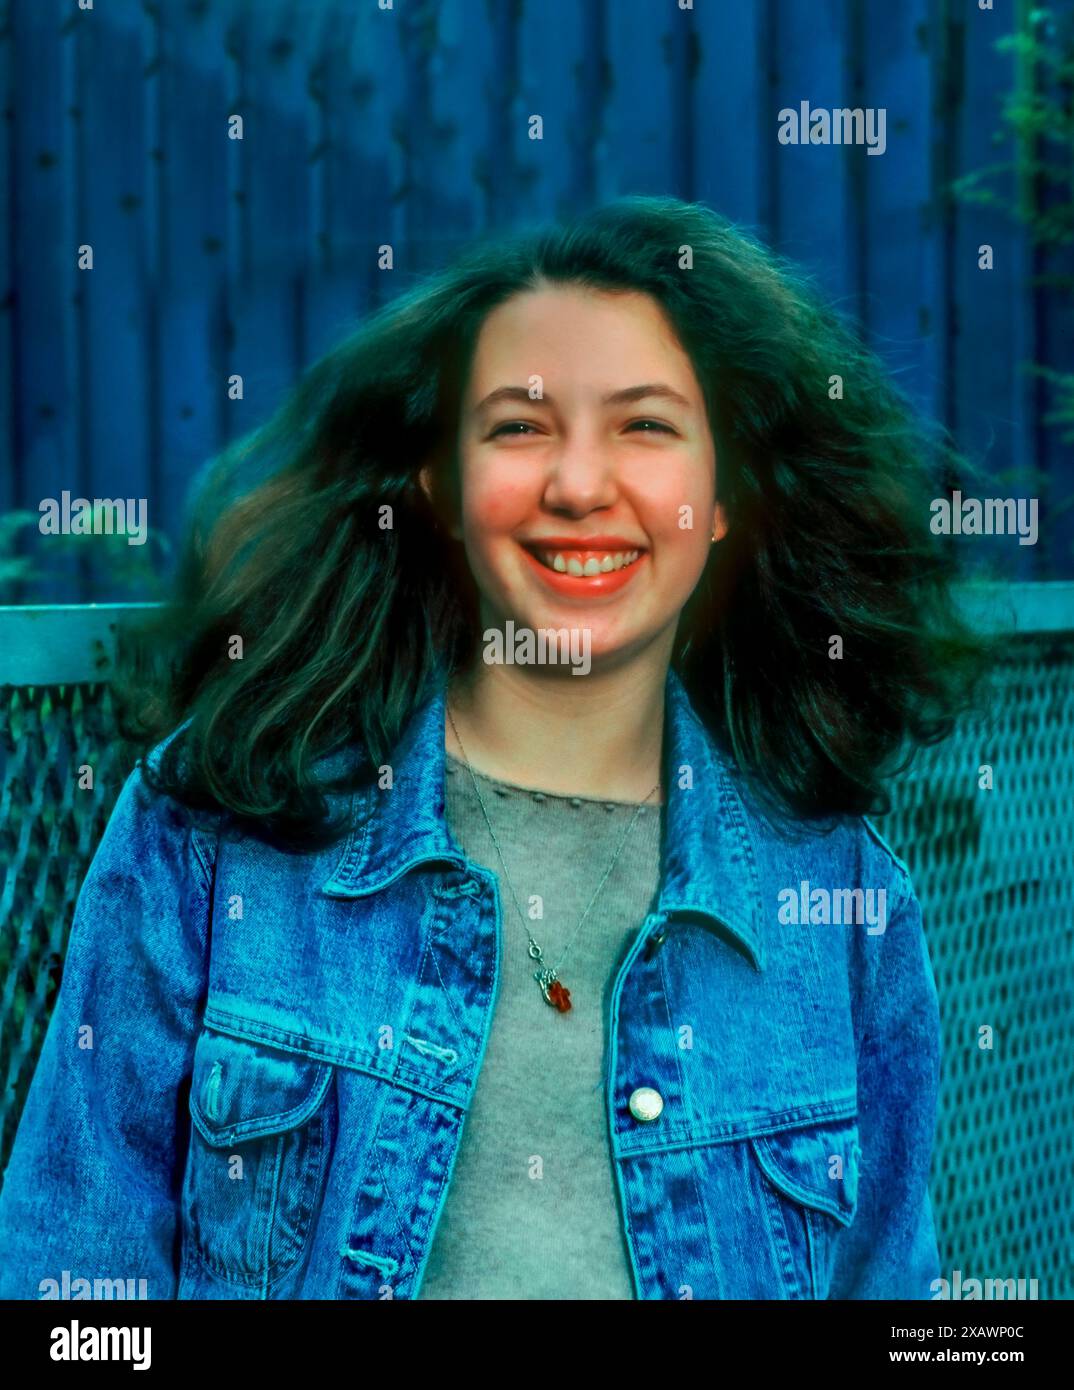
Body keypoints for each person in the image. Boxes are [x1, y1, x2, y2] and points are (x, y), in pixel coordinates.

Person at [0, 196, 982, 1300]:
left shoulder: (843, 897)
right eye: (518, 425)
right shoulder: (217, 828)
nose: (577, 484)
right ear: (437, 488)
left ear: (723, 498)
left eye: (646, 425)